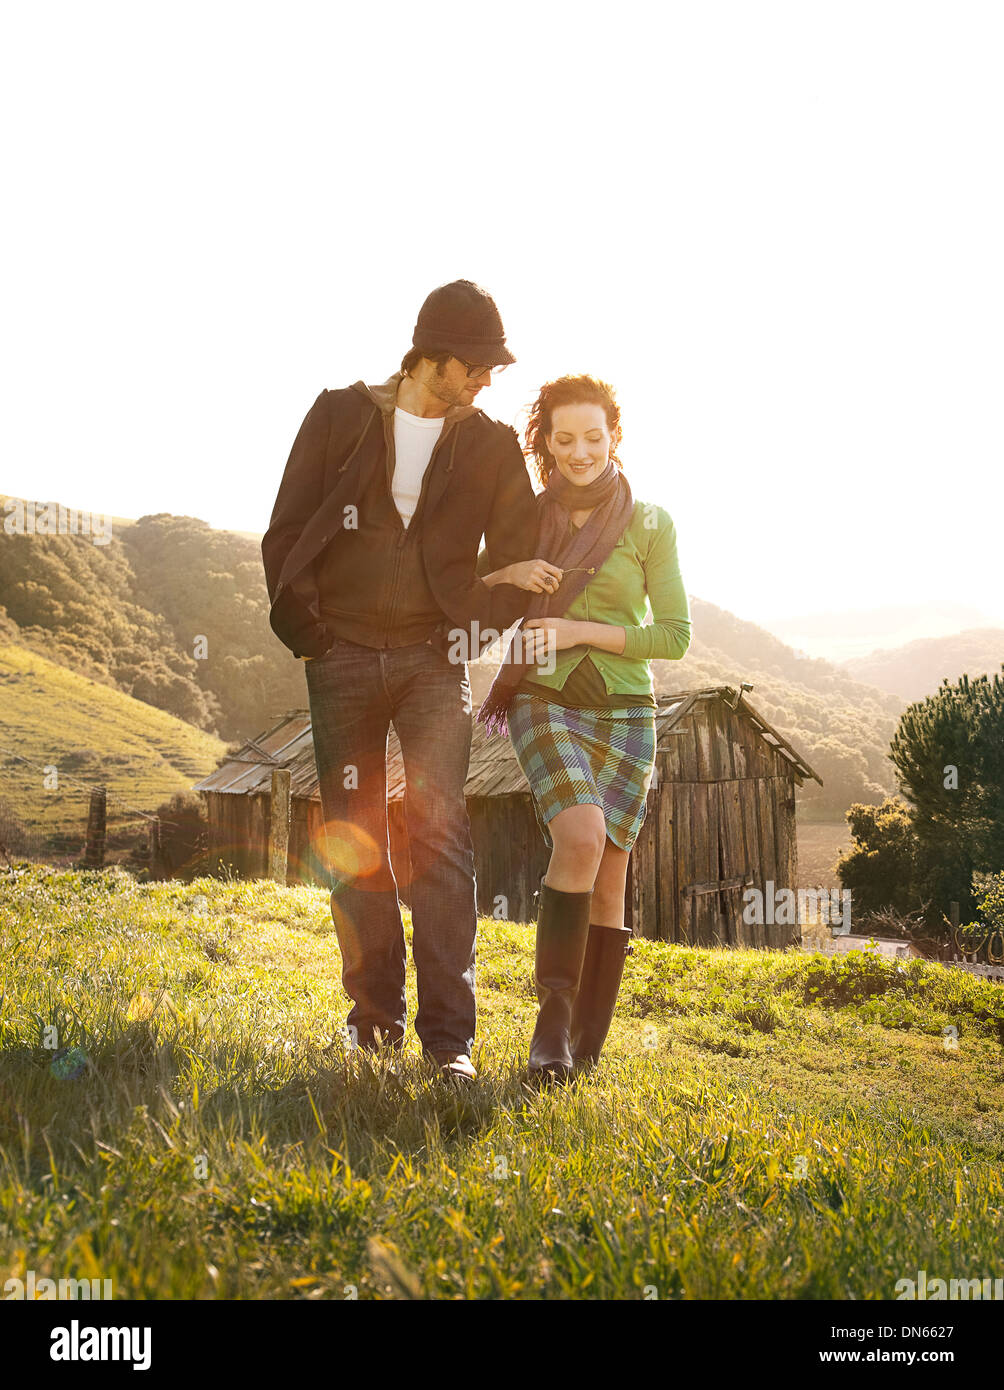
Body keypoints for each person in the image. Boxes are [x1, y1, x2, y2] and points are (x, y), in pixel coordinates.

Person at [261, 280, 555, 1082]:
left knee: (440, 839)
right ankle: (373, 1026)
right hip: (343, 656)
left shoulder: (490, 446)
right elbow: (286, 527)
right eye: (479, 364)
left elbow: (520, 555)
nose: (487, 380)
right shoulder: (341, 415)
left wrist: (471, 630)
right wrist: (311, 637)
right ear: (436, 353)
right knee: (354, 844)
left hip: (435, 660)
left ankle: (450, 1043)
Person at [477, 374, 692, 1082]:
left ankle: (584, 1048)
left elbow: (673, 636)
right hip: (543, 697)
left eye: (594, 438)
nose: (580, 452)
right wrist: (509, 569)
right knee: (581, 835)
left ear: (616, 437)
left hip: (629, 709)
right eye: (564, 439)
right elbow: (469, 587)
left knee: (610, 879)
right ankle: (551, 1027)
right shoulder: (527, 516)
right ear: (544, 441)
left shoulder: (652, 523)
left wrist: (577, 628)